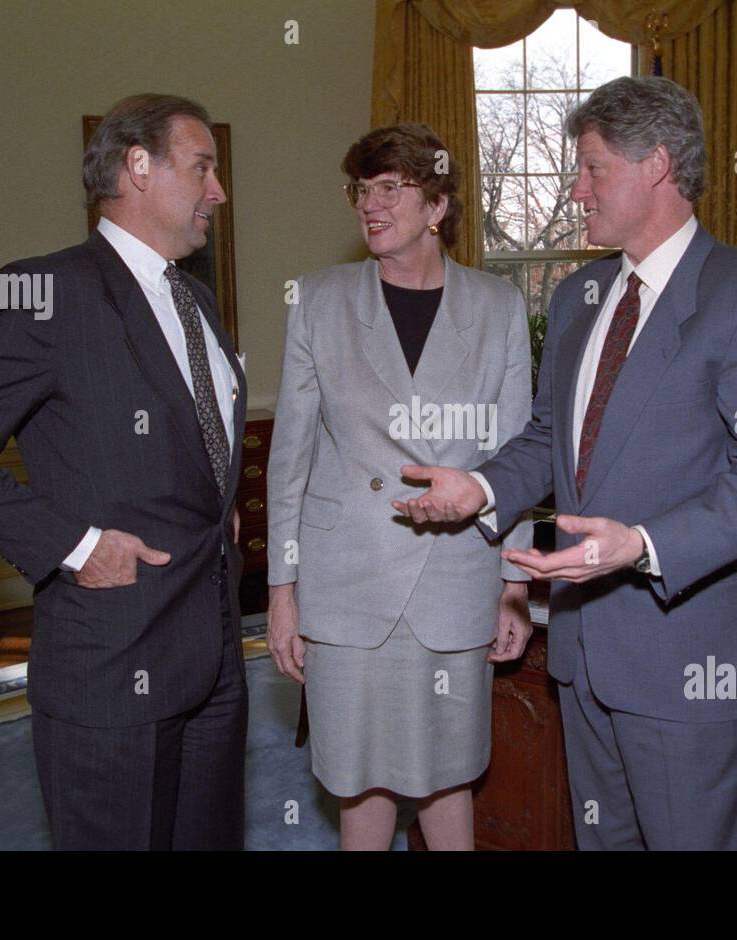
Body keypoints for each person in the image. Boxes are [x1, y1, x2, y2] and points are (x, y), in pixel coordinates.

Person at [394, 77, 737, 850]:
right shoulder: (579, 297)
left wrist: (644, 545)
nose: (574, 189)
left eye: (590, 169)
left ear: (656, 164)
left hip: (687, 664)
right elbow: (549, 438)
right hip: (584, 659)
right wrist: (480, 487)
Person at [0, 94, 249, 850]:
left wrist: (221, 512)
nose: (218, 191)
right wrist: (79, 547)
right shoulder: (46, 294)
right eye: (203, 166)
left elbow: (193, 454)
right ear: (138, 168)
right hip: (113, 662)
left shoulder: (198, 302)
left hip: (215, 658)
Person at [266, 123, 534, 851]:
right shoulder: (318, 299)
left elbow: (515, 457)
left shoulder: (498, 307)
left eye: (392, 188)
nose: (371, 205)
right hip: (345, 581)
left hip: (455, 575)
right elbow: (288, 457)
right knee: (361, 780)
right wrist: (282, 592)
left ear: (438, 205)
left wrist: (514, 584)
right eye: (363, 189)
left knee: (450, 774)